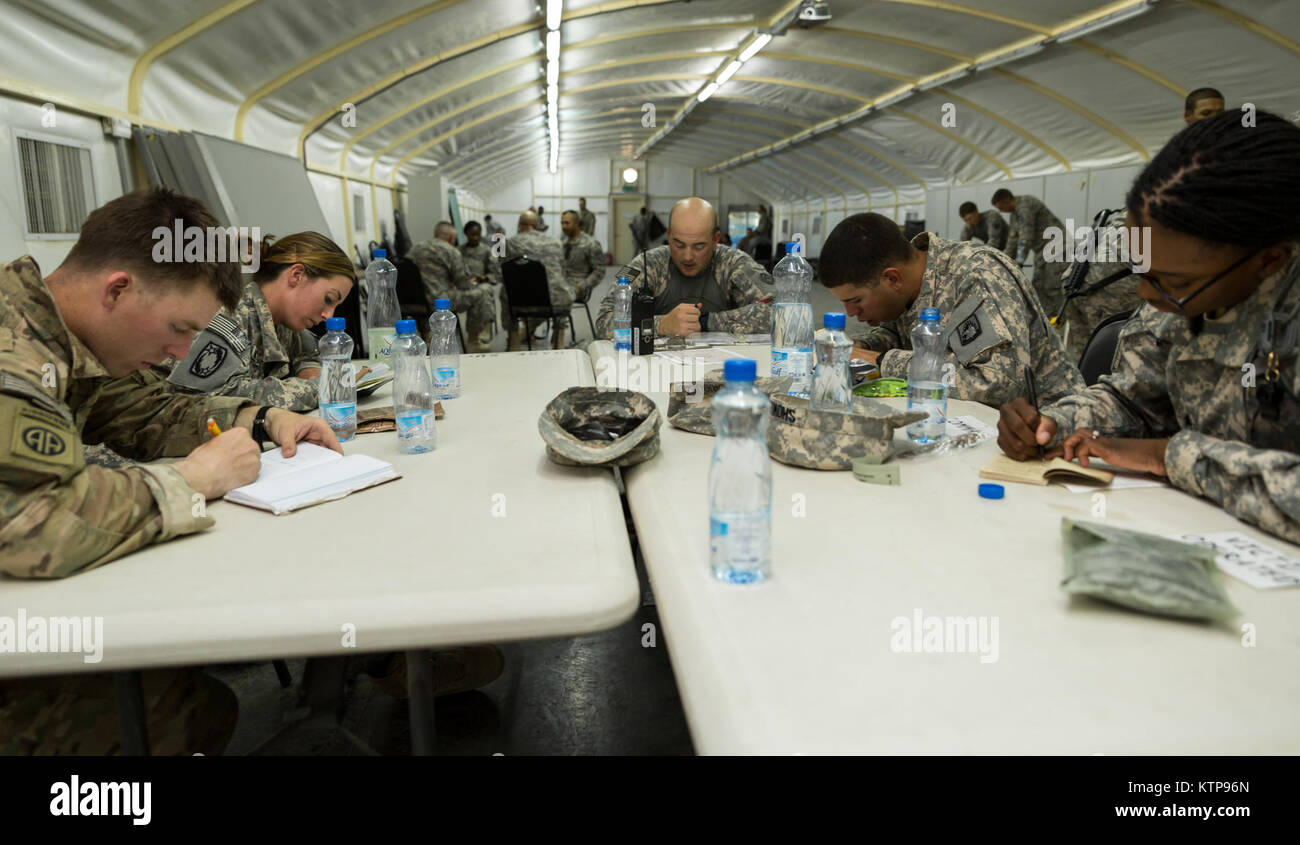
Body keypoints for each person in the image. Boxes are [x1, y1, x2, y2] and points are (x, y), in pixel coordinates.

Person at [0, 187, 343, 754]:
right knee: (181, 710)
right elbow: (35, 522)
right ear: (117, 290)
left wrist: (260, 418)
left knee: (182, 688)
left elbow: (145, 409)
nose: (181, 355)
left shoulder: (64, 335)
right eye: (181, 329)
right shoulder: (16, 354)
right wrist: (191, 481)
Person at [998, 110, 1300, 544]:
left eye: (1173, 282)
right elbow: (1135, 398)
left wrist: (1168, 456)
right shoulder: (1175, 295)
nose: (1145, 294)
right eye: (1140, 270)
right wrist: (1053, 423)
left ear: (1270, 260)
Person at [819, 212, 1084, 408]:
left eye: (855, 300)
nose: (850, 312)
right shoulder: (912, 284)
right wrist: (852, 347)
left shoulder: (977, 274)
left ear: (892, 279)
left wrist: (881, 362)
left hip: (1048, 429)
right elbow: (900, 336)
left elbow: (995, 385)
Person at [167, 232, 356, 411]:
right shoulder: (232, 317)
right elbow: (207, 399)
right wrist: (320, 388)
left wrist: (309, 369)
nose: (328, 315)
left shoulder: (283, 322)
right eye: (329, 299)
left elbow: (308, 353)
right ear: (297, 275)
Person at [595, 197, 773, 339]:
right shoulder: (648, 264)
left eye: (699, 247)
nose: (688, 256)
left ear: (715, 239)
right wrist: (661, 325)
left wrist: (707, 322)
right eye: (678, 245)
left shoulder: (734, 263)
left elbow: (784, 312)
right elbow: (604, 320)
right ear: (668, 235)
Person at [408, 221, 494, 352]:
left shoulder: (414, 249)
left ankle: (427, 336)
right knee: (481, 293)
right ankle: (473, 340)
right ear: (450, 238)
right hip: (439, 301)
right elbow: (464, 284)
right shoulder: (451, 251)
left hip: (413, 302)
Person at [993, 188, 1070, 316]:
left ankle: (1061, 319)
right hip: (1043, 252)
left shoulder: (1025, 206)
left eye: (1000, 207)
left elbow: (1025, 237)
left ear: (1007, 200)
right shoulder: (1014, 215)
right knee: (1038, 287)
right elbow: (1012, 240)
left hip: (1057, 249)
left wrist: (1020, 261)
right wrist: (1002, 260)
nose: (1000, 211)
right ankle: (1047, 321)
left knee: (1053, 287)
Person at [505, 210, 570, 348]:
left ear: (520, 225)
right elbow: (563, 271)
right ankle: (559, 341)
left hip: (525, 301)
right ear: (538, 225)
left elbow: (503, 270)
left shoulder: (511, 242)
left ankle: (514, 342)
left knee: (504, 292)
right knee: (561, 287)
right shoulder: (556, 242)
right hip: (557, 301)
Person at [561, 210, 605, 304]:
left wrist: (581, 286)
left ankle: (561, 318)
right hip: (562, 285)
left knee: (554, 297)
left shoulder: (591, 244)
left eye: (567, 223)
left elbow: (600, 271)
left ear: (576, 223)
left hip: (579, 288)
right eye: (562, 223)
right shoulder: (563, 244)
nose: (563, 226)